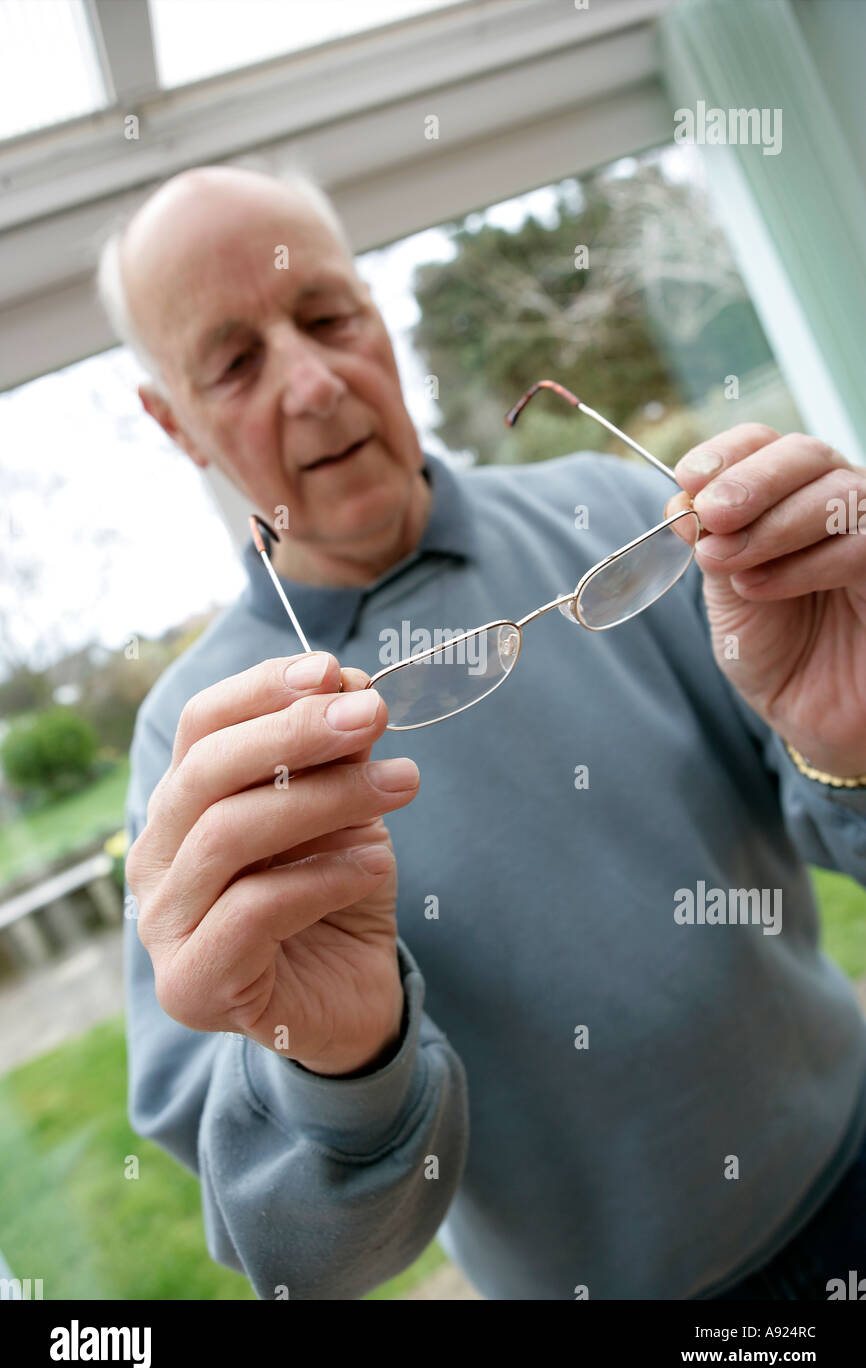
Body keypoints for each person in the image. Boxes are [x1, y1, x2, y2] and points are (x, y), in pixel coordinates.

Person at [100, 164, 866, 1301]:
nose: (311, 383)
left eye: (325, 316)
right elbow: (298, 1259)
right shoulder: (196, 751)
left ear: (378, 316)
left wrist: (846, 749)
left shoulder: (614, 523)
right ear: (173, 420)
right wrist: (340, 1063)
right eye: (235, 361)